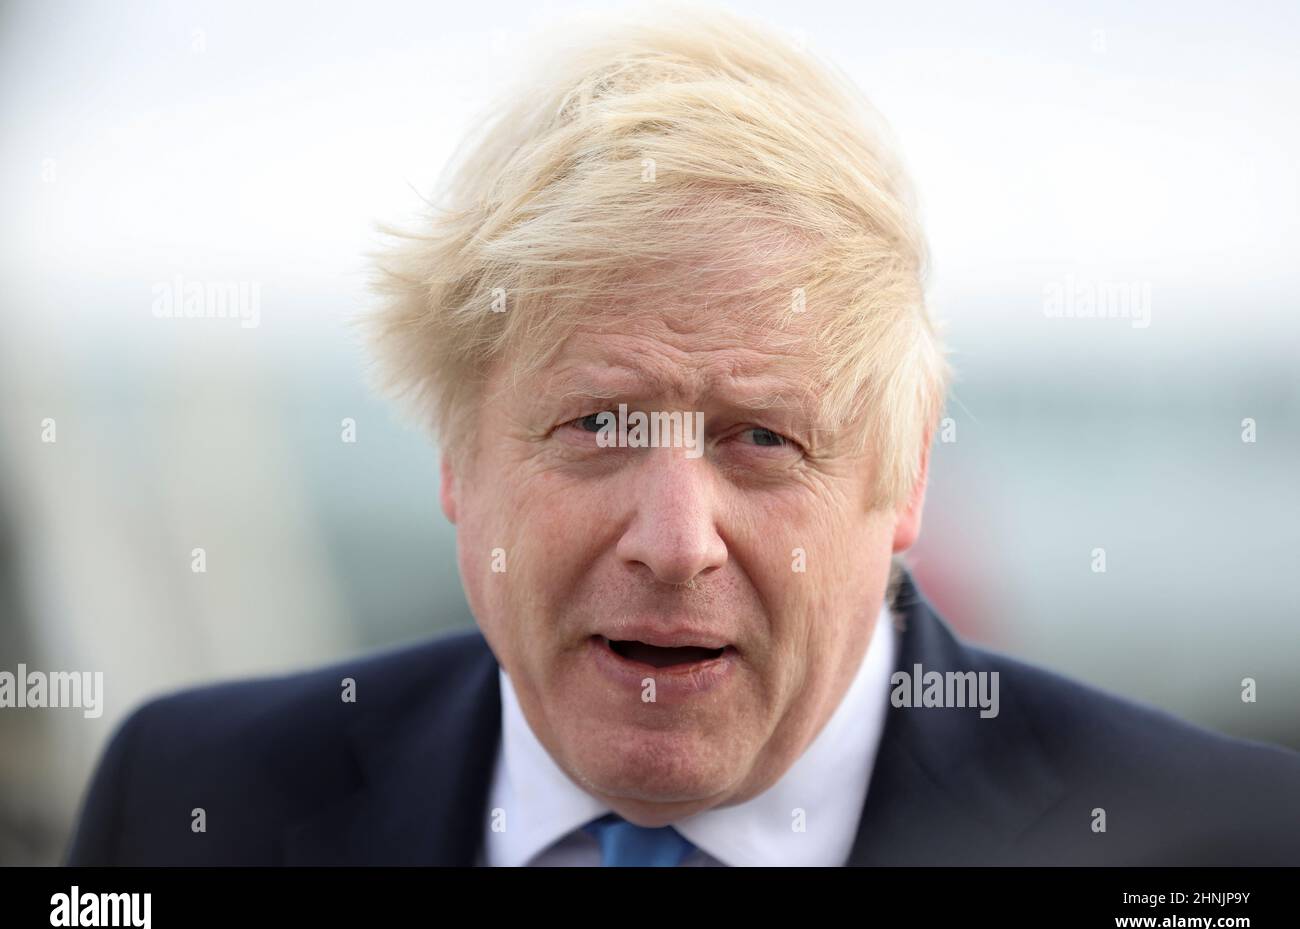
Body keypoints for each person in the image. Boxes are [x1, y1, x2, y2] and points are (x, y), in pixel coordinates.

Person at [67, 4, 1299, 866]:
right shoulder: (189, 799)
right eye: (597, 424)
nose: (674, 542)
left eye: (760, 437)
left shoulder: (1220, 848)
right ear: (456, 455)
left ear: (905, 470)